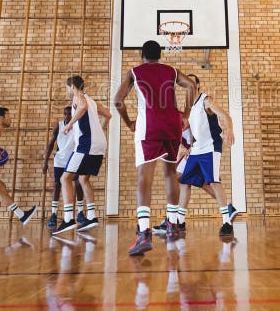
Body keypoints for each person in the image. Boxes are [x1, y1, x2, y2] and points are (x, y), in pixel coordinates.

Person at [113, 40, 197, 255]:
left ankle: (143, 232)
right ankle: (172, 224)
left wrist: (128, 122)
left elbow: (118, 101)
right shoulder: (171, 70)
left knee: (144, 177)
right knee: (170, 174)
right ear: (160, 55)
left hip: (149, 127)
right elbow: (191, 86)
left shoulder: (135, 72)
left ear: (142, 55)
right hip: (172, 125)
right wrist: (186, 114)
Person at [177, 74, 239, 237]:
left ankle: (226, 222)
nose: (188, 84)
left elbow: (225, 115)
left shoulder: (206, 100)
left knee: (213, 181)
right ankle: (180, 222)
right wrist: (190, 145)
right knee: (184, 181)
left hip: (211, 148)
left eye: (192, 81)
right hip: (196, 149)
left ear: (197, 85)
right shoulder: (188, 105)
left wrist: (229, 129)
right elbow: (193, 128)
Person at [53, 75, 111, 234]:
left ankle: (68, 219)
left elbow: (83, 106)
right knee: (83, 178)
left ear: (72, 86)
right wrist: (100, 130)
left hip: (87, 144)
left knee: (65, 178)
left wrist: (70, 125)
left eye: (67, 87)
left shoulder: (79, 97)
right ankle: (91, 216)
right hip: (99, 145)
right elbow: (108, 114)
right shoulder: (92, 100)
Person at [43, 106, 87, 228]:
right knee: (57, 185)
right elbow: (51, 143)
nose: (67, 116)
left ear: (73, 115)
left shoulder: (78, 126)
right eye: (65, 114)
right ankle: (53, 214)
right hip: (60, 161)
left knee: (78, 184)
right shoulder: (59, 126)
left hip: (73, 159)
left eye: (69, 114)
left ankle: (80, 213)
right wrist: (45, 162)